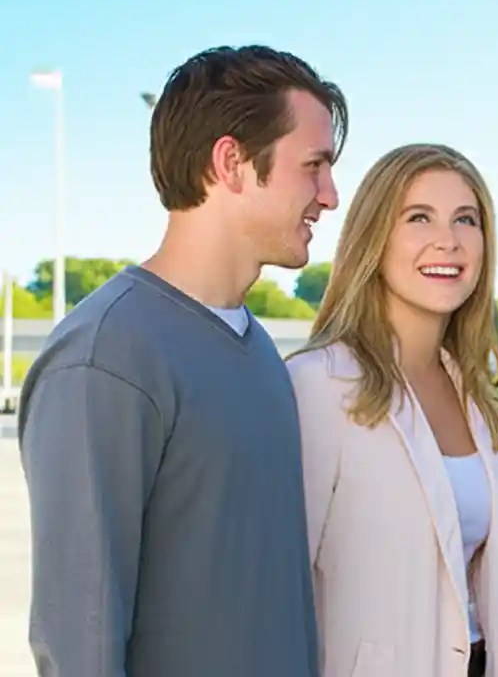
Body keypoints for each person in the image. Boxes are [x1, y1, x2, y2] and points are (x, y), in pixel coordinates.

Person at [17, 45, 348, 676]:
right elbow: (78, 643)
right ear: (232, 163)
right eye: (313, 166)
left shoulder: (260, 356)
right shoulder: (104, 359)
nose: (330, 195)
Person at [285, 143, 498, 677]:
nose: (449, 240)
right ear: (375, 237)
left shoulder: (470, 390)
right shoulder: (320, 385)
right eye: (419, 217)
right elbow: (278, 596)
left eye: (467, 219)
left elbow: (473, 585)